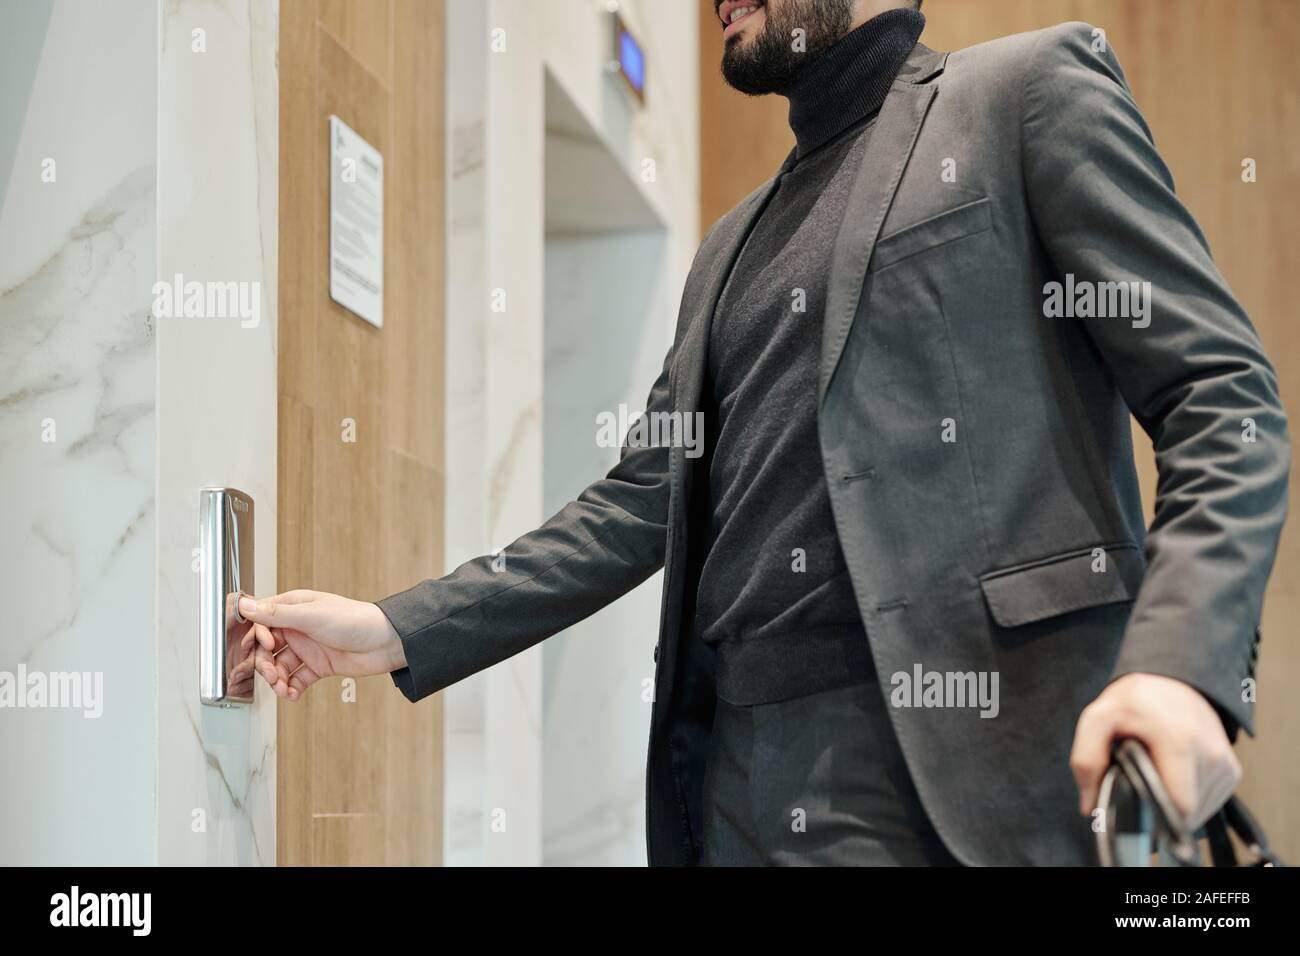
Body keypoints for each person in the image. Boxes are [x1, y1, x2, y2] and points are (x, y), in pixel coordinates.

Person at [239, 0, 1289, 865]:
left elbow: (1221, 394)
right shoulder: (727, 246)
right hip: (731, 774)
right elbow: (633, 503)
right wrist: (396, 626)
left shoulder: (1027, 94)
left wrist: (1182, 668)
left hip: (961, 768)